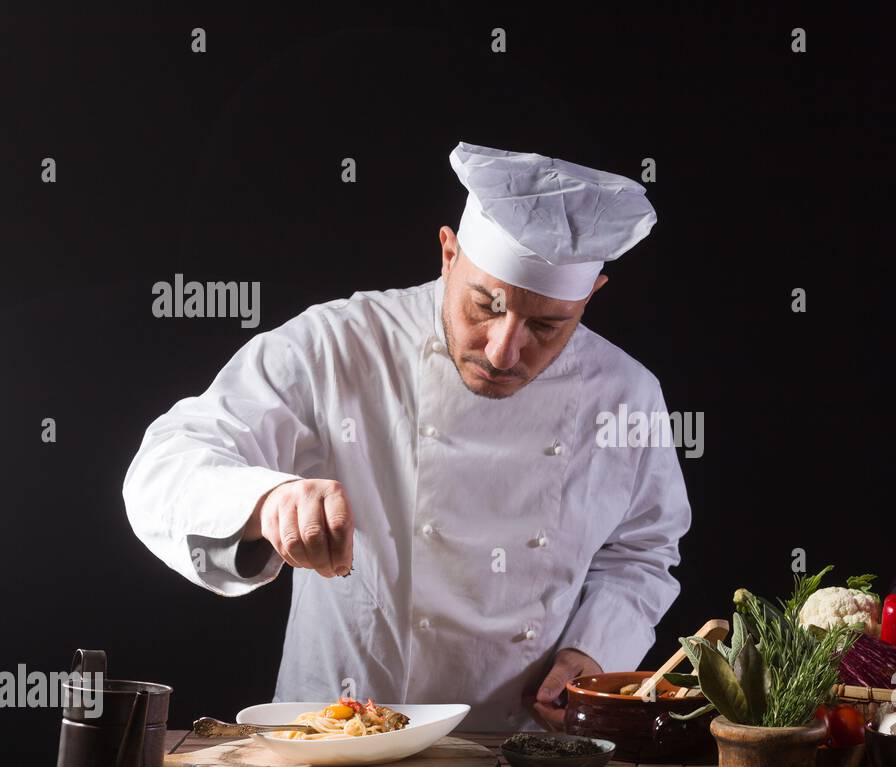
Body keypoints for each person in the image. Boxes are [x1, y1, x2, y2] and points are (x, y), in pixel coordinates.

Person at [123, 141, 691, 731]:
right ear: (448, 254)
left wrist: (593, 650)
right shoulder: (339, 345)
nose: (504, 351)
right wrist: (264, 501)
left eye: (547, 326)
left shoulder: (627, 394)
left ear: (590, 296)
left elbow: (643, 549)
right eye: (484, 306)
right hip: (337, 742)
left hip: (521, 751)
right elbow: (166, 464)